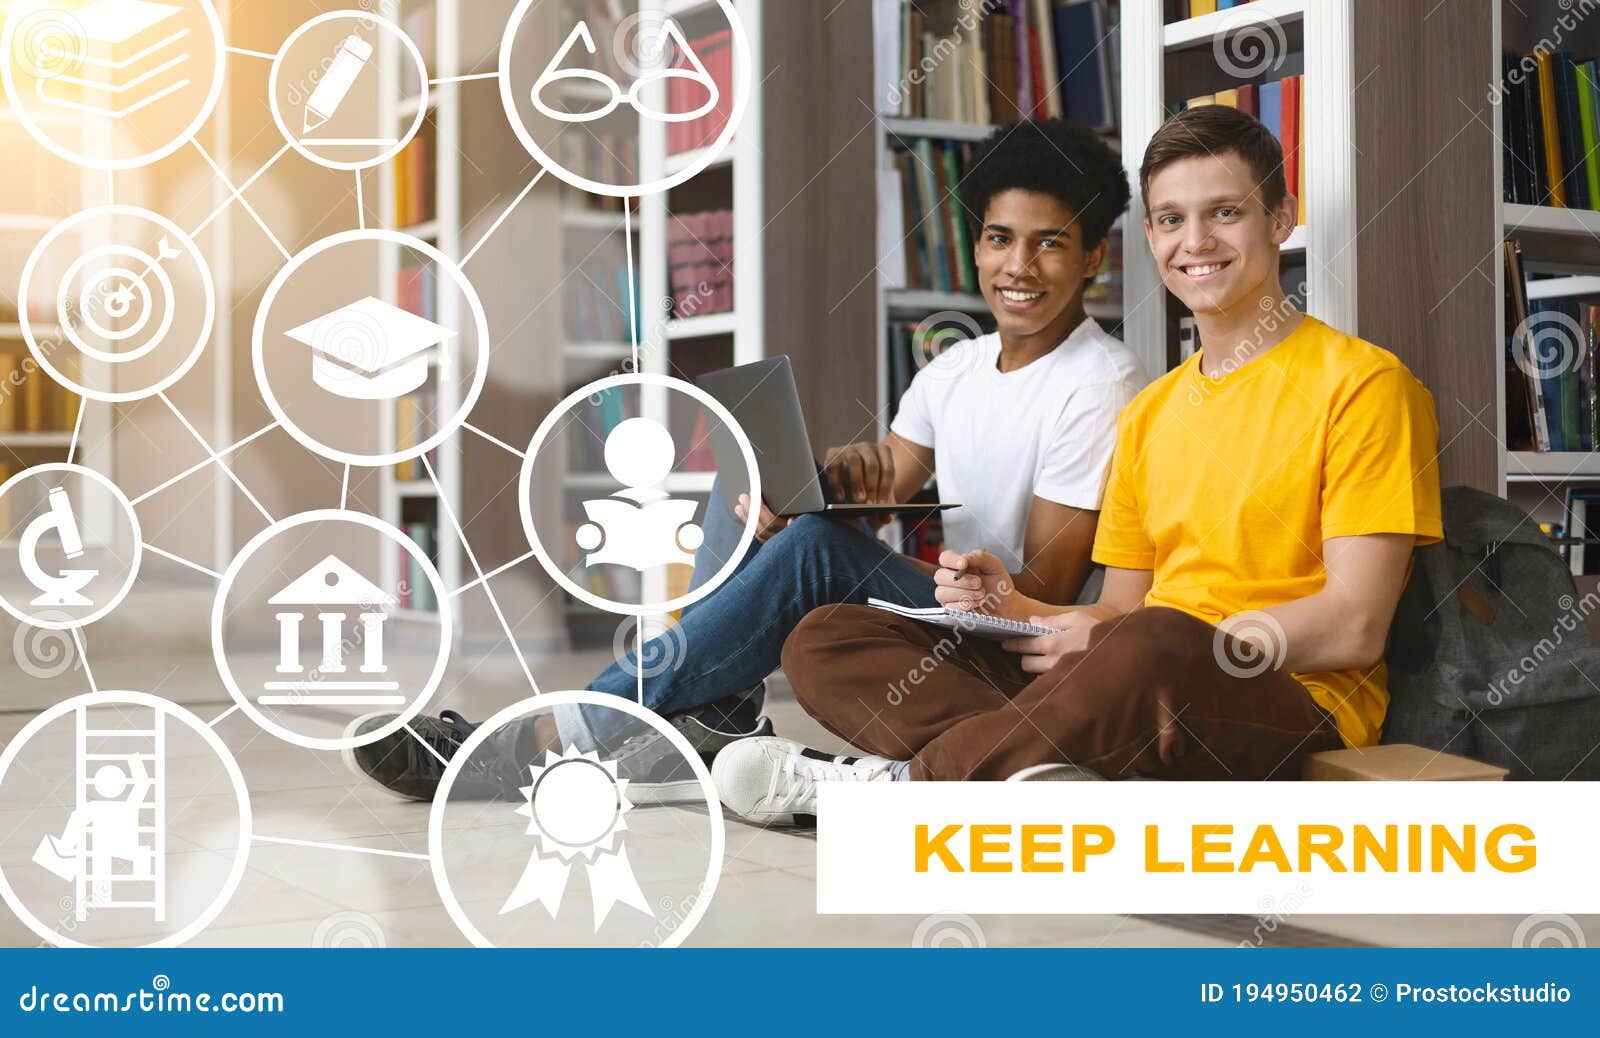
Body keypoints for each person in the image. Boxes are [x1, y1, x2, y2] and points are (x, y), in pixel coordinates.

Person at [345, 117, 1144, 801]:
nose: (1018, 267)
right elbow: (890, 476)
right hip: (943, 610)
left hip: (1012, 642)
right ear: (977, 245)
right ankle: (715, 716)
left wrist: (818, 534)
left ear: (1092, 260)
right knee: (753, 484)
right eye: (1001, 239)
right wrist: (822, 484)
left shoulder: (1098, 384)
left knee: (815, 548)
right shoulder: (952, 369)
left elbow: (1041, 594)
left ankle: (556, 732)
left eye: (1049, 245)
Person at [715, 104, 1445, 823]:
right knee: (827, 639)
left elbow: (1355, 625)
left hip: (1285, 704)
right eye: (1169, 219)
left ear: (1281, 219)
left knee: (1158, 640)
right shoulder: (1152, 414)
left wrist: (1147, 644)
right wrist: (1013, 605)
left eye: (1225, 213)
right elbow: (1118, 610)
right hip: (1132, 681)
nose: (1195, 241)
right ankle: (1055, 778)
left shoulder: (1364, 385)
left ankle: (901, 790)